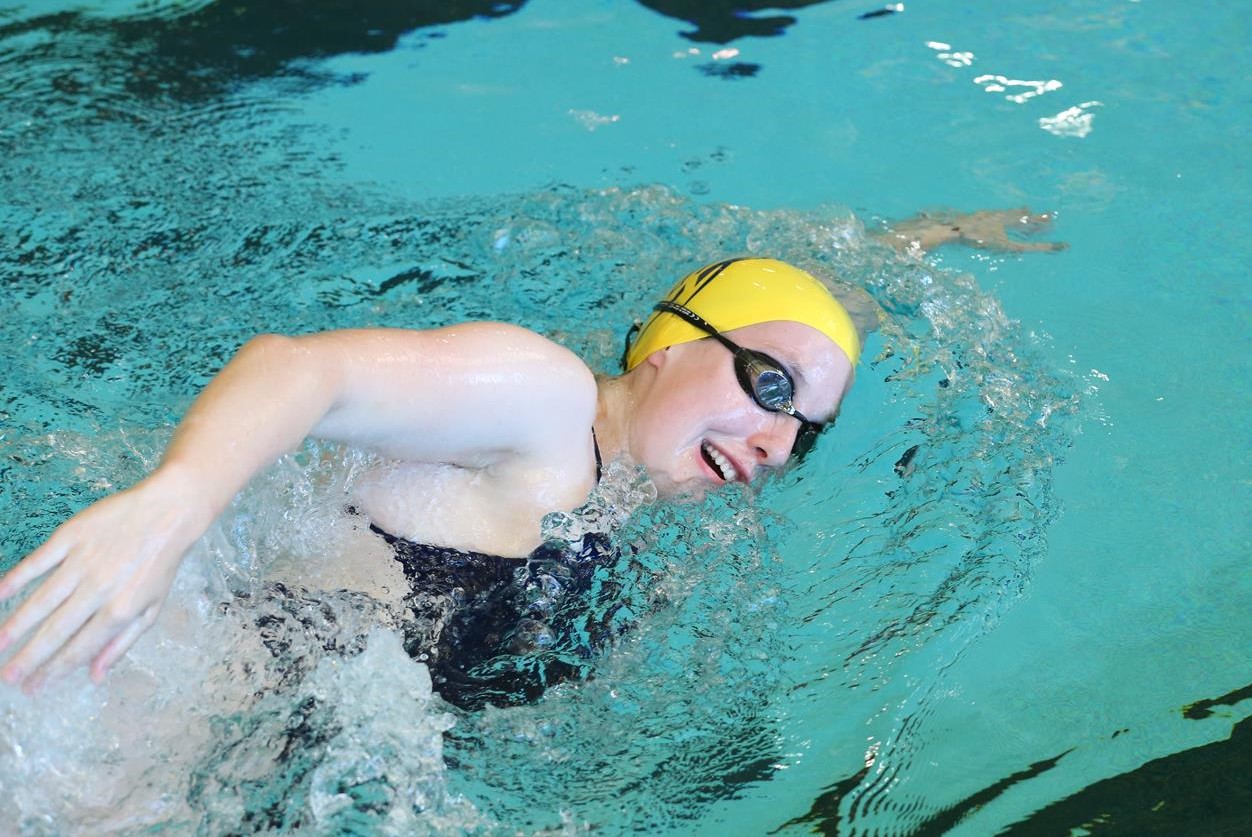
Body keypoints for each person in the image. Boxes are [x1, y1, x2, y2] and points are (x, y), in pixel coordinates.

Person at [0, 210, 1063, 696]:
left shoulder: (626, 483)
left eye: (803, 430)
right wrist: (170, 505)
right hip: (129, 687)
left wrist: (931, 240)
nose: (777, 442)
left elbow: (796, 318)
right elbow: (301, 370)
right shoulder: (545, 406)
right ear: (663, 346)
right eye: (769, 388)